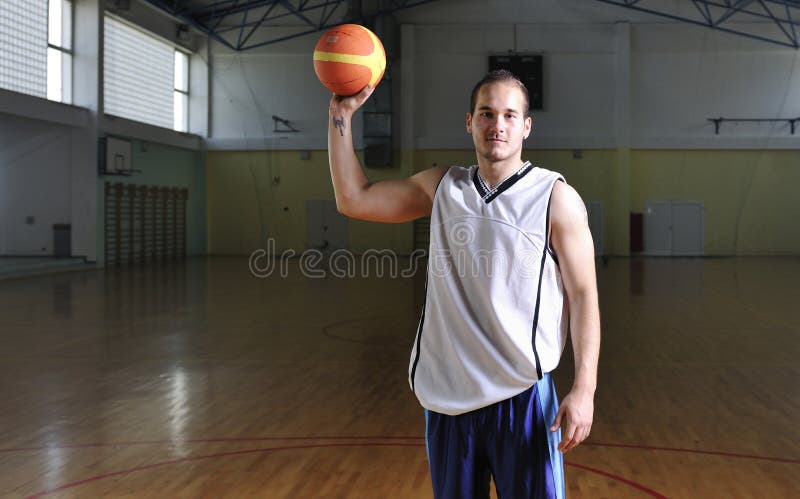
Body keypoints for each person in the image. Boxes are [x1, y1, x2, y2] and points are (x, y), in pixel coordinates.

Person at [327, 69, 600, 499]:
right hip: (448, 397)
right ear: (469, 121)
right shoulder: (442, 186)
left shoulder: (554, 197)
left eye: (510, 115)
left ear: (526, 126)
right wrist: (339, 116)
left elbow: (584, 296)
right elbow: (353, 199)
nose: (498, 125)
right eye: (487, 113)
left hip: (522, 396)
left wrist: (584, 389)